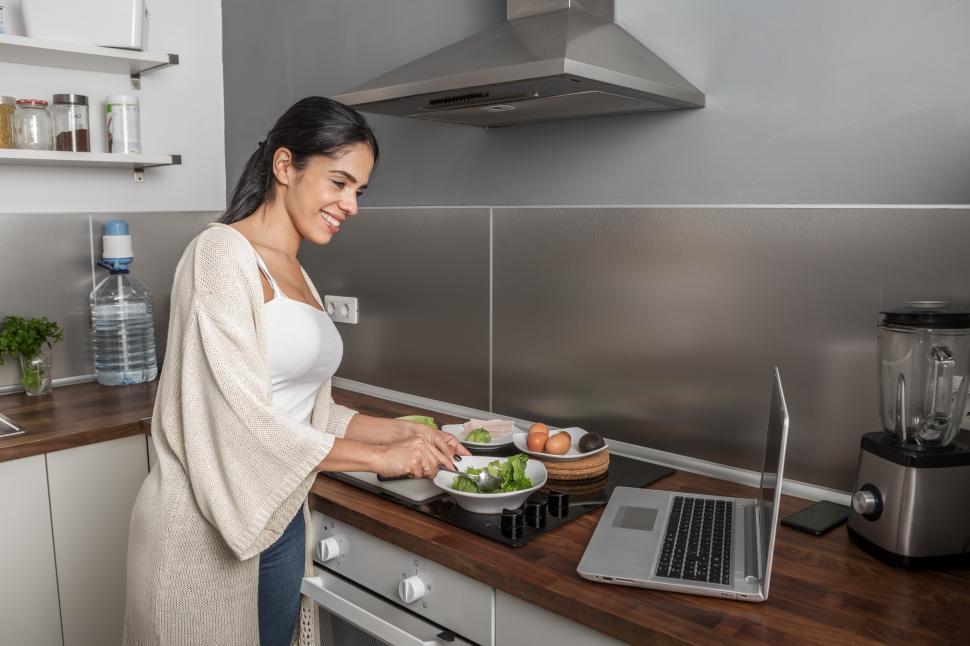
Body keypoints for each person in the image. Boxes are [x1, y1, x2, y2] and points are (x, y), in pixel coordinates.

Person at [122, 96, 469, 646]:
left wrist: (406, 431)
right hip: (202, 529)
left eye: (359, 191)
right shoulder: (217, 255)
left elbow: (314, 412)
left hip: (278, 517)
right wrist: (382, 457)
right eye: (339, 182)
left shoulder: (297, 273)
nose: (350, 204)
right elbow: (236, 423)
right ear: (285, 167)